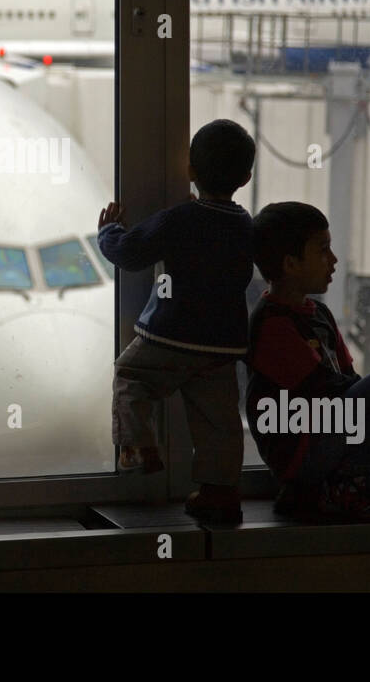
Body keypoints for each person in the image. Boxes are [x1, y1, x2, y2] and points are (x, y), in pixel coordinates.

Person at [97, 119, 256, 524]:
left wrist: (108, 233)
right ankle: (221, 495)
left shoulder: (180, 219)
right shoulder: (245, 226)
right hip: (221, 346)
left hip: (170, 335)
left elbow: (131, 254)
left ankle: (137, 447)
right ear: (246, 178)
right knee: (218, 423)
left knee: (130, 375)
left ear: (190, 171)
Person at [246, 201, 370, 523]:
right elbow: (323, 394)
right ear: (291, 264)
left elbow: (347, 378)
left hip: (333, 428)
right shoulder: (272, 323)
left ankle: (332, 490)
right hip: (302, 446)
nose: (334, 261)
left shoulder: (319, 314)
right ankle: (331, 487)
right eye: (323, 250)